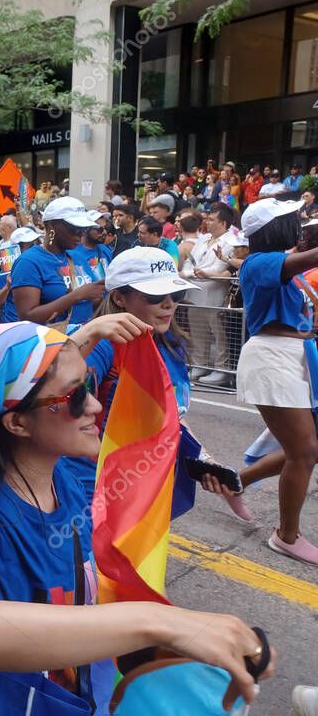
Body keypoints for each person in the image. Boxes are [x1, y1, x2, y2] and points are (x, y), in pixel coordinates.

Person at [0, 321, 274, 714]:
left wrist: (171, 645)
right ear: (16, 422)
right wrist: (159, 622)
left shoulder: (67, 483)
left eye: (89, 385)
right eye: (74, 397)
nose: (95, 406)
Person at [59, 247, 198, 500]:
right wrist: (88, 334)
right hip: (99, 487)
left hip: (149, 482)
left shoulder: (171, 343)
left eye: (177, 292)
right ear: (120, 298)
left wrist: (203, 458)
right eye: (155, 296)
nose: (169, 303)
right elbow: (49, 380)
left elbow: (173, 413)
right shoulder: (102, 345)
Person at [225, 198, 318, 565]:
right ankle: (286, 536)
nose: (298, 221)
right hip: (272, 359)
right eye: (292, 218)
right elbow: (305, 258)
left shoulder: (281, 266)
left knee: (311, 448)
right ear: (274, 227)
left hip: (295, 357)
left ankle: (236, 481)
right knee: (305, 451)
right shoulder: (258, 261)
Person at [3, 197, 104, 325]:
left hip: (83, 339)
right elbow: (27, 316)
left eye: (84, 229)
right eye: (75, 228)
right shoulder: (28, 262)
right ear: (52, 226)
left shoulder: (77, 257)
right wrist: (76, 296)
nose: (80, 234)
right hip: (51, 342)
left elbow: (92, 299)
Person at [182, 205, 237, 385]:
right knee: (198, 331)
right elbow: (190, 262)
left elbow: (220, 268)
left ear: (223, 222)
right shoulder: (203, 238)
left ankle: (222, 369)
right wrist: (190, 273)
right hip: (194, 290)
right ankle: (200, 365)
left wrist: (197, 273)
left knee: (219, 333)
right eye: (208, 219)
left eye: (212, 219)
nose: (207, 222)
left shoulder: (231, 241)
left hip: (215, 292)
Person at [70, 213, 113, 283]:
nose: (105, 232)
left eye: (106, 228)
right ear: (85, 230)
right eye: (100, 229)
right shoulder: (73, 253)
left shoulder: (105, 250)